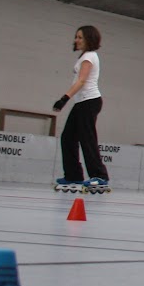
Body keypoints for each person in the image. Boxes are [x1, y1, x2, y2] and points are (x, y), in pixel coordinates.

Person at [53, 25, 110, 193]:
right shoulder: (85, 56)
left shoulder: (89, 57)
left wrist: (64, 99)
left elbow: (81, 81)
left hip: (89, 101)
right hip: (82, 102)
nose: (76, 40)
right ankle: (73, 175)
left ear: (88, 39)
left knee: (87, 138)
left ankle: (99, 175)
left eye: (80, 37)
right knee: (68, 138)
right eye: (76, 37)